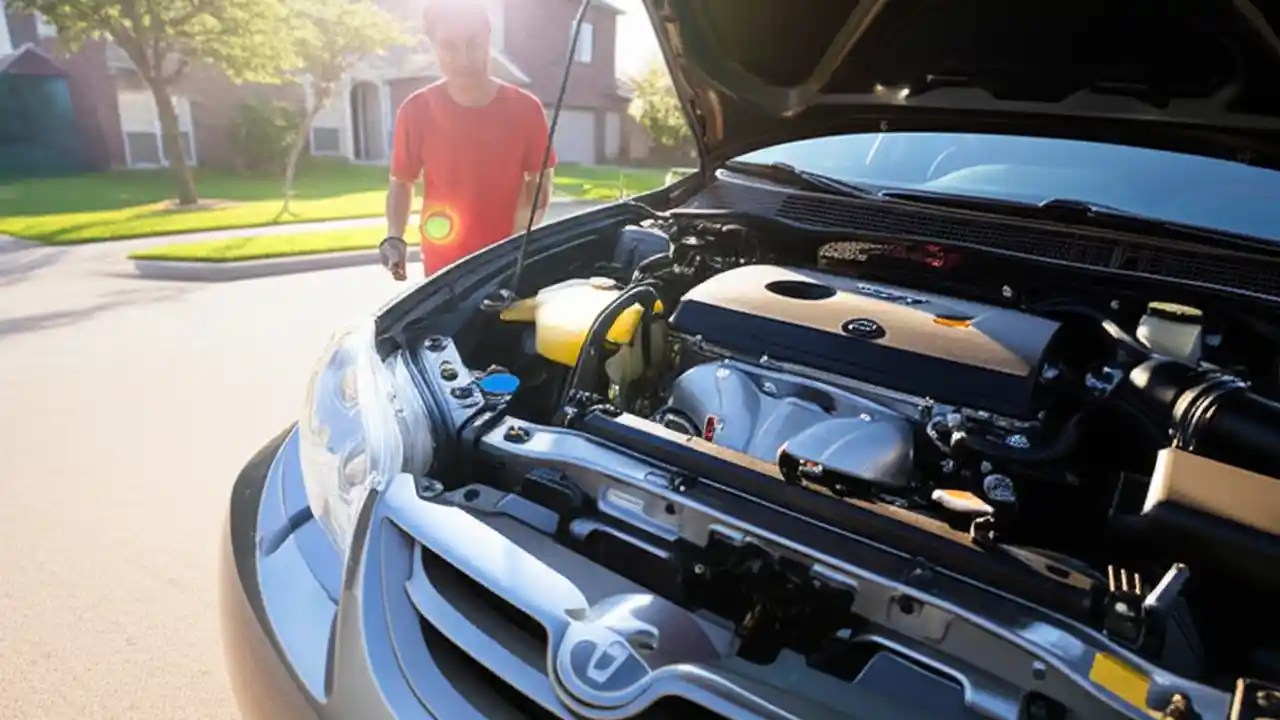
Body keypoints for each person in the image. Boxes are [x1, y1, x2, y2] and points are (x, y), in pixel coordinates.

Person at [380, 0, 557, 281]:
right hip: (442, 271)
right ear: (434, 46)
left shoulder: (527, 110)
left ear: (489, 39)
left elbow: (539, 186)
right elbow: (401, 182)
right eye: (449, 46)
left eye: (473, 44)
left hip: (508, 267)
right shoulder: (415, 110)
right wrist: (394, 236)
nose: (463, 59)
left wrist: (512, 249)